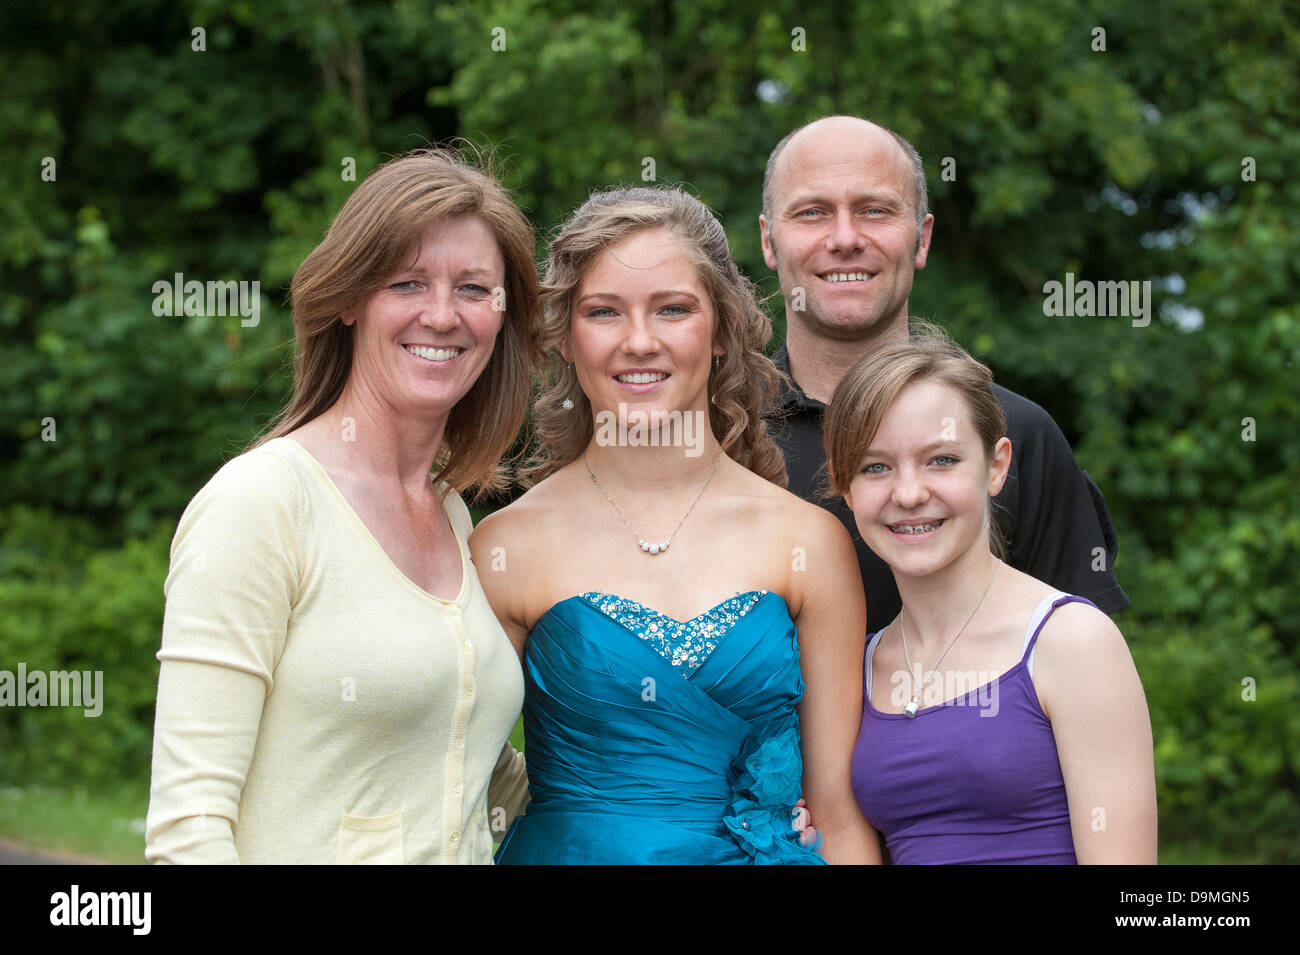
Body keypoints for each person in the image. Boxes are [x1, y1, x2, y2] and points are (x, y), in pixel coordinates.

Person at [145, 147, 537, 864]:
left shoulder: (451, 513)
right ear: (351, 299)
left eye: (475, 289)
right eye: (408, 282)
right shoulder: (262, 501)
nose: (443, 315)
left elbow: (463, 772)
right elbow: (187, 829)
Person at [469, 185, 876, 864]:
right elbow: (452, 775)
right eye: (604, 312)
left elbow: (838, 812)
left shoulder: (808, 542)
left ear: (721, 331)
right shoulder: (505, 546)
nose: (639, 342)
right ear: (566, 337)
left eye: (673, 309)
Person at [759, 115, 1128, 629]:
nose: (844, 238)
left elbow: (1079, 679)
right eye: (812, 212)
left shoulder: (1016, 434)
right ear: (769, 240)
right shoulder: (720, 432)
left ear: (922, 238)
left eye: (874, 210)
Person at [823, 323, 1157, 863]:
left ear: (996, 466)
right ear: (846, 484)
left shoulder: (1072, 640)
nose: (909, 493)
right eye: (876, 467)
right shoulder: (857, 667)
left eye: (942, 460)